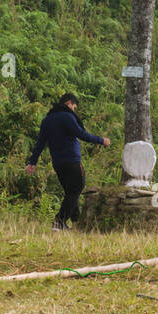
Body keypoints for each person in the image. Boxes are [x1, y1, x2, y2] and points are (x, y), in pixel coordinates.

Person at [26, 93, 111, 231]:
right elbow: (81, 134)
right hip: (72, 160)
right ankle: (59, 221)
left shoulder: (47, 120)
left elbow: (40, 143)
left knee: (71, 192)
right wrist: (101, 140)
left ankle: (76, 223)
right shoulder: (67, 117)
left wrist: (32, 162)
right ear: (69, 103)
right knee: (77, 188)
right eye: (74, 107)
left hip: (58, 163)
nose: (74, 110)